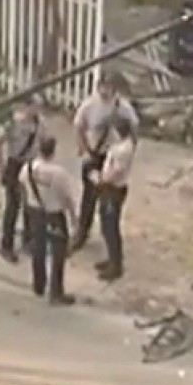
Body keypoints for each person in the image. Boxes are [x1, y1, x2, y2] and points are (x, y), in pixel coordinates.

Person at [73, 76, 139, 249]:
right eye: (102, 86)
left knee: (109, 198)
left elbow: (134, 129)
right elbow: (78, 126)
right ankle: (82, 231)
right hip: (95, 153)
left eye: (108, 87)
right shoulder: (89, 105)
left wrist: (129, 153)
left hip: (114, 156)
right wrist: (84, 149)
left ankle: (110, 236)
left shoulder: (123, 107)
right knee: (88, 196)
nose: (105, 90)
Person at [22, 135, 79, 306]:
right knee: (58, 252)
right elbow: (67, 198)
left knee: (38, 248)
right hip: (54, 215)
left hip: (35, 212)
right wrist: (73, 218)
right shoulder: (59, 173)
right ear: (53, 151)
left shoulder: (28, 168)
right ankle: (56, 291)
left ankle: (38, 284)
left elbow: (22, 185)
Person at [0, 100, 42, 263]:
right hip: (15, 163)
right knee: (12, 206)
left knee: (30, 203)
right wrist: (1, 167)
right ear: (27, 106)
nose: (37, 109)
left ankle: (28, 240)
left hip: (30, 165)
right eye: (34, 106)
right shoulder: (13, 123)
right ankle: (6, 245)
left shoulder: (40, 124)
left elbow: (43, 141)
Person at [93, 111, 137, 282]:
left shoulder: (122, 150)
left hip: (112, 189)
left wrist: (100, 180)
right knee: (107, 225)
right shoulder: (122, 145)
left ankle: (115, 265)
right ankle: (111, 259)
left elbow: (116, 172)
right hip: (111, 188)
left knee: (110, 227)